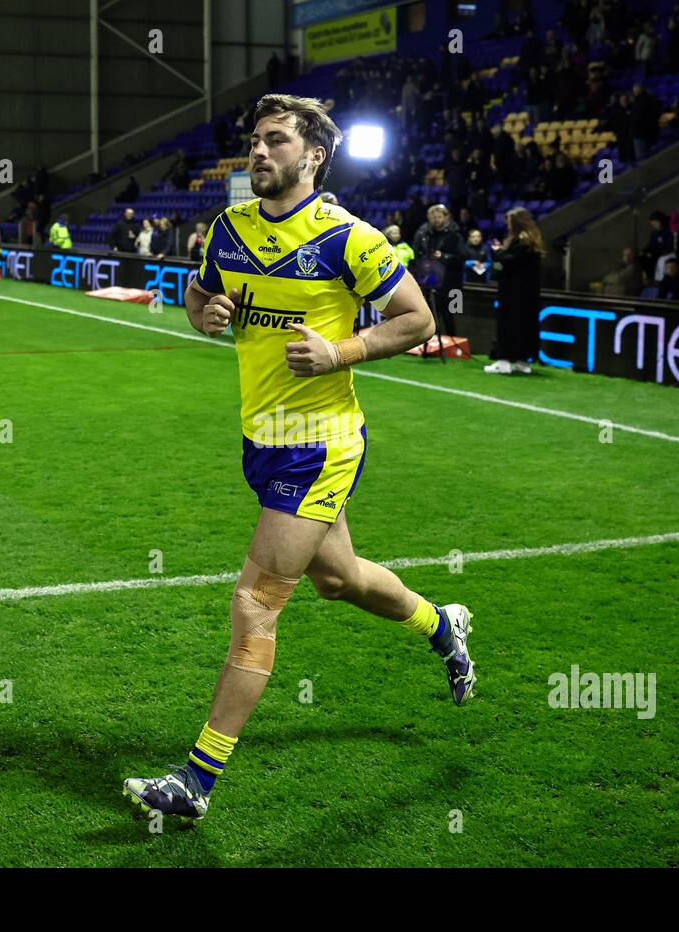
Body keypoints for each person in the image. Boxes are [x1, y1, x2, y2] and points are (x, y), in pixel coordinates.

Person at [125, 93, 476, 824]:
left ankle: (195, 783)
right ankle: (443, 626)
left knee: (254, 604)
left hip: (320, 445)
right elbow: (199, 297)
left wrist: (339, 350)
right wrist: (204, 313)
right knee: (340, 579)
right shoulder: (229, 228)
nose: (258, 152)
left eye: (276, 140)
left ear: (313, 157)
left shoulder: (350, 238)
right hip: (262, 438)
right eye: (254, 141)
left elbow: (418, 320)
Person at [485, 206, 543, 374]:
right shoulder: (532, 240)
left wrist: (496, 253)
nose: (508, 226)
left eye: (510, 222)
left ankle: (503, 361)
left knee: (508, 324)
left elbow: (507, 263)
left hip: (512, 292)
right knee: (525, 326)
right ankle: (522, 361)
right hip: (528, 293)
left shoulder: (521, 241)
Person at [411, 203, 468, 334]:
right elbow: (417, 253)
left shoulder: (455, 234)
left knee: (451, 313)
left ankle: (453, 343)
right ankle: (431, 343)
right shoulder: (422, 233)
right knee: (430, 313)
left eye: (439, 216)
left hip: (452, 282)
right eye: (433, 217)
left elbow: (462, 256)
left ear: (446, 217)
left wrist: (443, 257)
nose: (436, 219)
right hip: (430, 280)